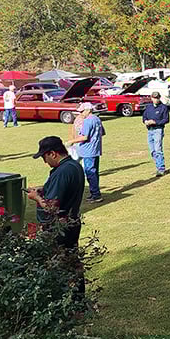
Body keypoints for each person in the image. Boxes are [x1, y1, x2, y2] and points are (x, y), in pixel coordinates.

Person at [27, 135, 86, 299]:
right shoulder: (74, 165)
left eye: (44, 157)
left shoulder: (61, 172)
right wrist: (43, 190)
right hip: (72, 222)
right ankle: (79, 300)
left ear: (53, 153)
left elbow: (52, 207)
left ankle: (65, 301)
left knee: (58, 264)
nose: (45, 162)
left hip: (59, 227)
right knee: (73, 262)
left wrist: (36, 198)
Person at [67, 102, 105, 201]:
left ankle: (96, 194)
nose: (81, 113)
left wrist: (71, 141)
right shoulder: (97, 119)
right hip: (96, 149)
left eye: (82, 111)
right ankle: (95, 192)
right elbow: (103, 133)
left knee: (90, 172)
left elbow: (84, 137)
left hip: (88, 150)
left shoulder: (88, 121)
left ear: (88, 110)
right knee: (95, 172)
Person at [143, 90, 170, 176]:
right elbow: (144, 117)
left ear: (159, 98)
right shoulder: (149, 107)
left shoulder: (163, 107)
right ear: (151, 98)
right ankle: (158, 166)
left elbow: (166, 120)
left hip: (158, 130)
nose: (156, 99)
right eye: (154, 98)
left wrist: (155, 122)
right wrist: (145, 121)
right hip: (150, 130)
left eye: (157, 98)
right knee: (152, 151)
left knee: (158, 149)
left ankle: (161, 168)